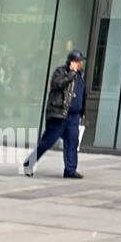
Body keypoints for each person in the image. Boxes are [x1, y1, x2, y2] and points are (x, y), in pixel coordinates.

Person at [23, 50, 87, 179]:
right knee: (48, 141)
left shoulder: (80, 76)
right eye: (79, 61)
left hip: (73, 116)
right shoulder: (61, 72)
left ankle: (70, 170)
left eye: (81, 62)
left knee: (72, 142)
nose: (81, 64)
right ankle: (29, 163)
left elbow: (82, 95)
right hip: (59, 114)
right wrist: (71, 73)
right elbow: (57, 84)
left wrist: (82, 111)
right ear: (72, 62)